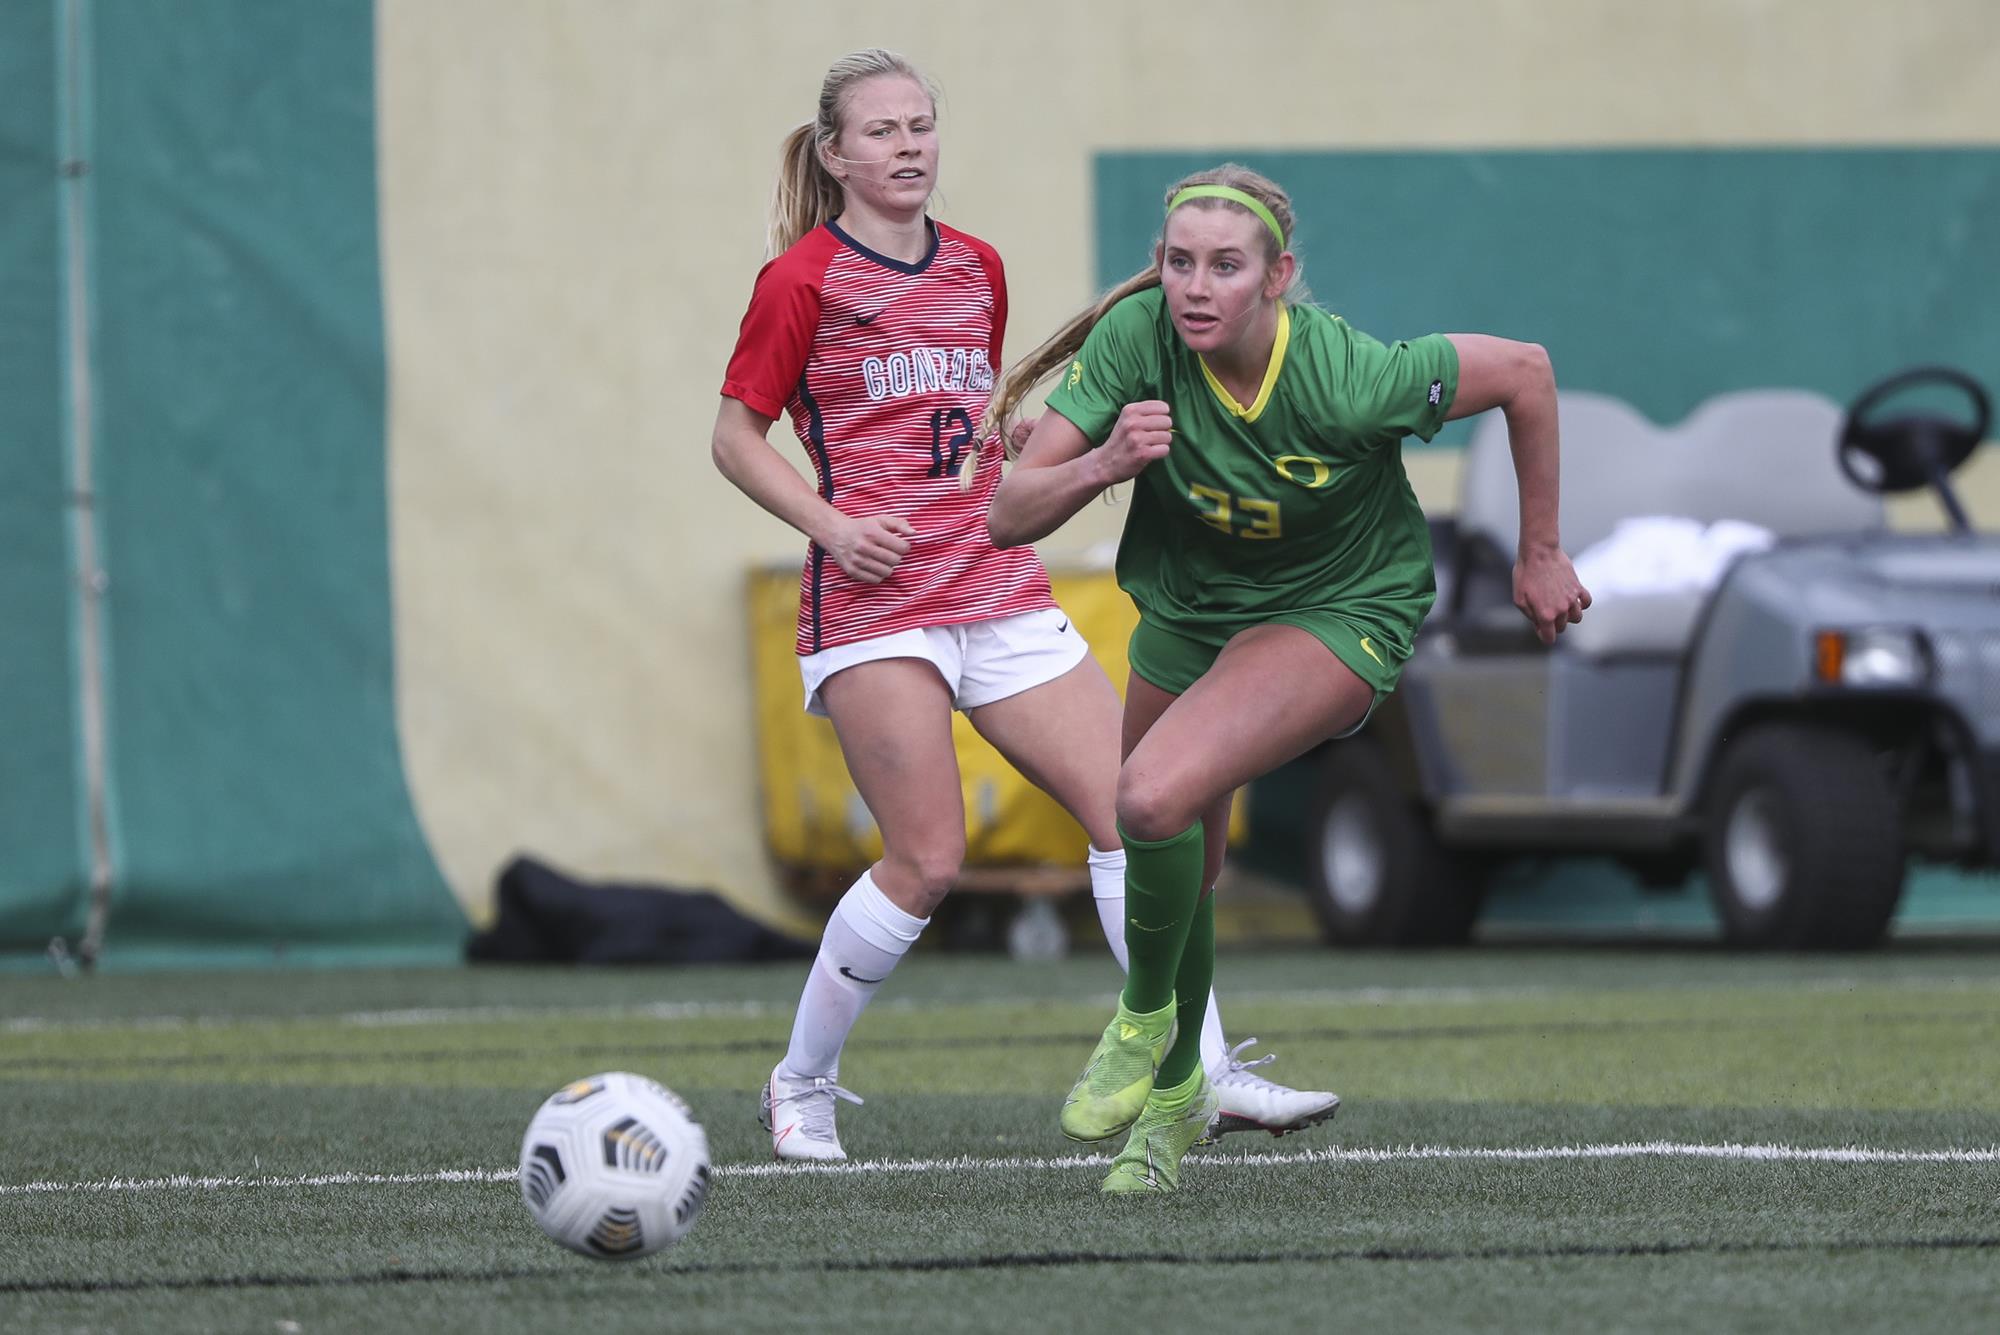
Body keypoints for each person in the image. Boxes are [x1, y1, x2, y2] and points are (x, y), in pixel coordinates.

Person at [713, 57, 1340, 1163]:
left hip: (992, 585)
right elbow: (732, 440)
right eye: (879, 131)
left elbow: (967, 424)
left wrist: (1021, 454)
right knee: (927, 862)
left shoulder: (977, 268)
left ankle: (1204, 1069)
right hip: (876, 604)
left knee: (1141, 814)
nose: (907, 146)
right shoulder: (799, 281)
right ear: (833, 155)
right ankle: (799, 1082)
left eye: (921, 126)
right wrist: (830, 526)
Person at [986, 164, 1591, 1192]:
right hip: (1189, 613)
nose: (1195, 287)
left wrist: (1539, 552)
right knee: (1175, 848)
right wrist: (1099, 465)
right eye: (1179, 263)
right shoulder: (1137, 343)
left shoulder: (1349, 377)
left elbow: (1526, 372)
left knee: (1143, 792)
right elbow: (1008, 512)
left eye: (1225, 266)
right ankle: (1178, 1100)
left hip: (1337, 610)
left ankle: (1141, 1022)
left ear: (1277, 277)